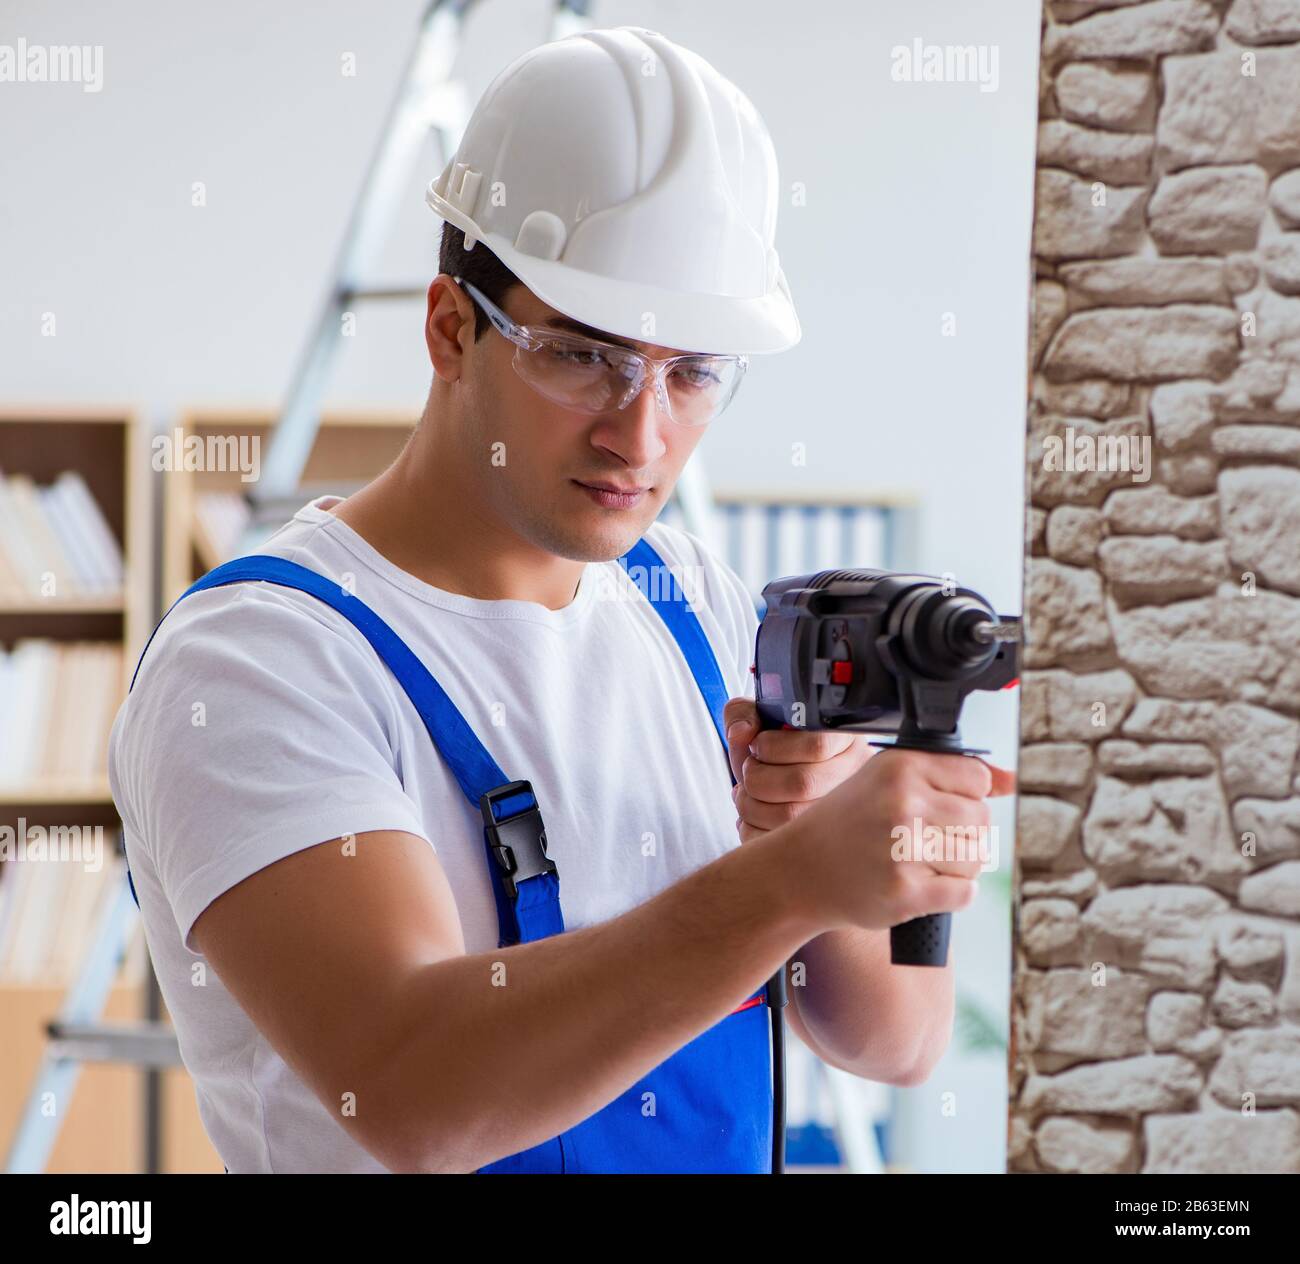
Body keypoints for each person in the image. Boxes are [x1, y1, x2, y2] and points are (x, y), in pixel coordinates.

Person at [108, 25, 1013, 1174]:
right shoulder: (259, 661)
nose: (641, 434)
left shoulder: (692, 608)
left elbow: (894, 1040)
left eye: (690, 374)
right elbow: (408, 1092)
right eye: (584, 355)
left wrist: (845, 849)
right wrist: (782, 877)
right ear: (448, 326)